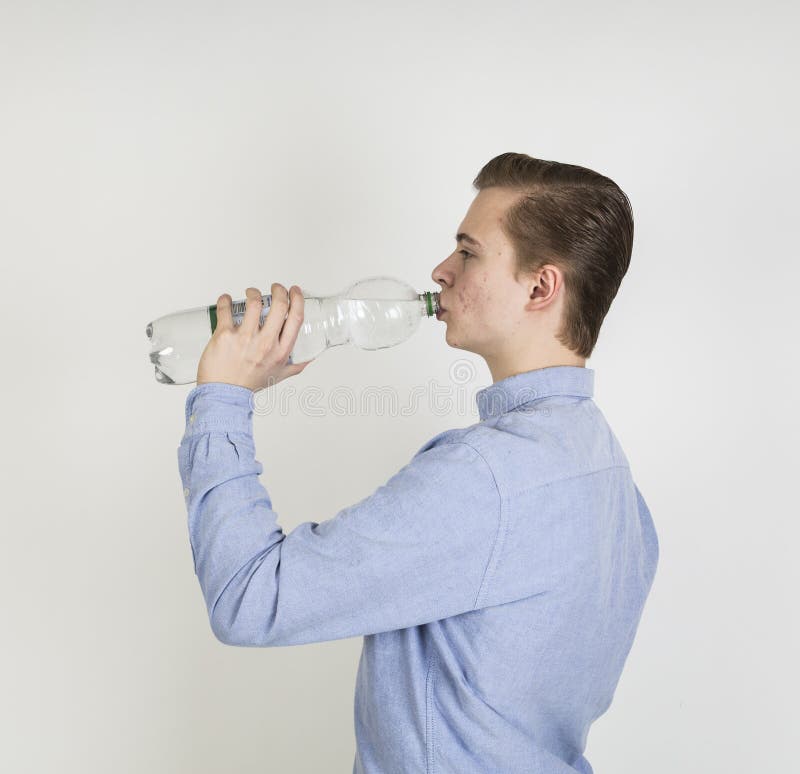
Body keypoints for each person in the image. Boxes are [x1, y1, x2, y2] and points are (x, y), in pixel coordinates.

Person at [178, 152, 659, 773]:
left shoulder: (486, 478)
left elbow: (249, 599)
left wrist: (223, 398)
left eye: (469, 252)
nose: (441, 270)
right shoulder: (611, 472)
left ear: (541, 287)